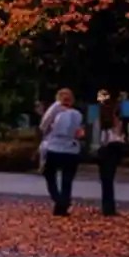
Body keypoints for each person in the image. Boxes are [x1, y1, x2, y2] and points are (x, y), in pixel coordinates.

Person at [40, 88, 84, 216]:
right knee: (67, 180)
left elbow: (43, 125)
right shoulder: (77, 114)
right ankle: (62, 205)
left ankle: (59, 201)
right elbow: (79, 133)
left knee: (50, 175)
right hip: (71, 149)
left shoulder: (55, 111)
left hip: (54, 147)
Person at [96, 92, 125, 216]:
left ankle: (107, 206)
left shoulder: (101, 120)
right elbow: (119, 136)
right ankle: (109, 207)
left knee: (105, 179)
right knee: (109, 178)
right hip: (113, 148)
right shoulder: (116, 120)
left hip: (104, 148)